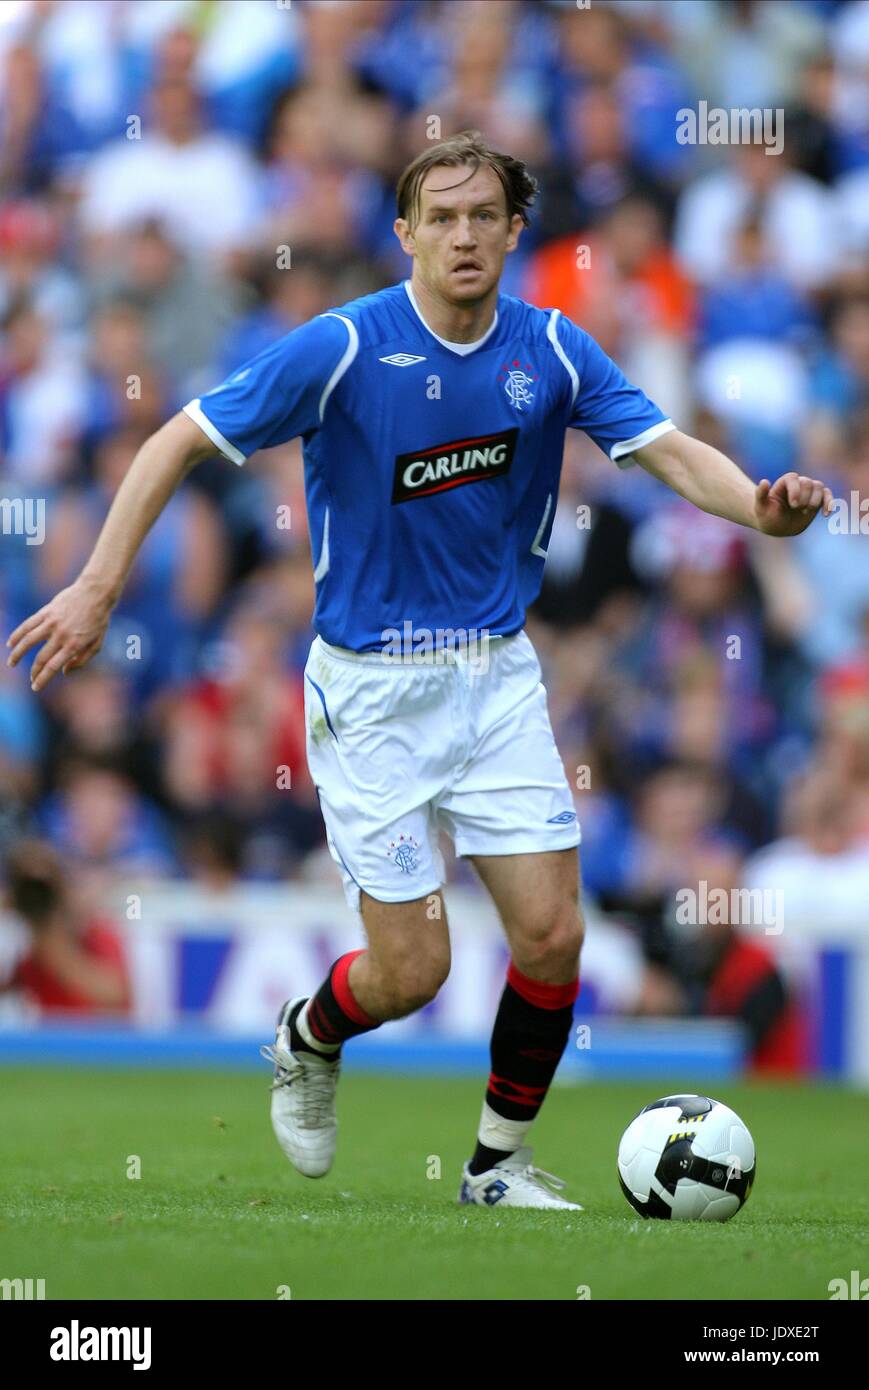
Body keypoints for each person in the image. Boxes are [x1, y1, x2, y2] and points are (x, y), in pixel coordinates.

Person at [6, 131, 833, 1211]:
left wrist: (758, 508)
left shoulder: (553, 349)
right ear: (403, 234)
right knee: (412, 973)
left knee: (551, 933)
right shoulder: (342, 348)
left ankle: (494, 1168)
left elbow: (670, 449)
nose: (460, 235)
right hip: (369, 691)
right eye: (438, 217)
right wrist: (98, 586)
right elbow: (175, 440)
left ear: (510, 232)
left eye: (480, 216)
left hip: (494, 678)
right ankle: (308, 1033)